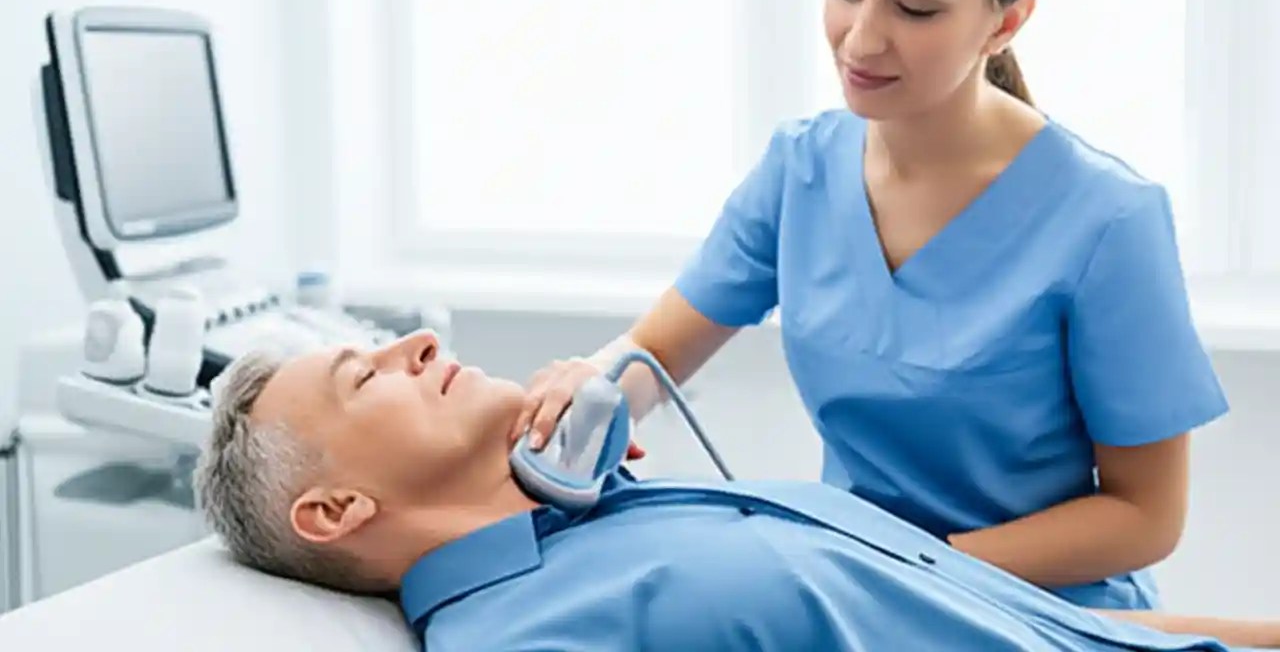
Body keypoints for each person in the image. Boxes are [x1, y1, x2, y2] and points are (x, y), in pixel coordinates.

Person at [518, 0, 1229, 612]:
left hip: (1038, 612)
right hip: (864, 595)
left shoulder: (1107, 221)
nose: (860, 38)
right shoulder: (801, 171)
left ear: (1005, 22)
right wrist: (592, 388)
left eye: (915, 7)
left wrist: (916, 565)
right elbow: (656, 354)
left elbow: (1146, 515)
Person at [193, 332, 1279, 651]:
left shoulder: (608, 514)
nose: (413, 341)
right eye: (363, 375)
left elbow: (1037, 631)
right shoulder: (526, 637)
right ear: (333, 514)